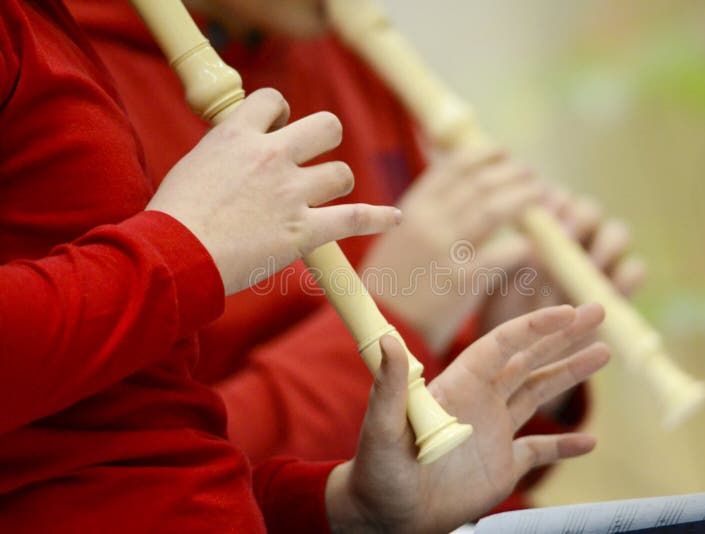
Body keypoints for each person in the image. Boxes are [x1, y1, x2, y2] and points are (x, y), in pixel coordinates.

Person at [0, 1, 608, 531]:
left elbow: (167, 458)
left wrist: (509, 360)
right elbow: (114, 445)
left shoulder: (339, 49)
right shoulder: (80, 60)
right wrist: (395, 322)